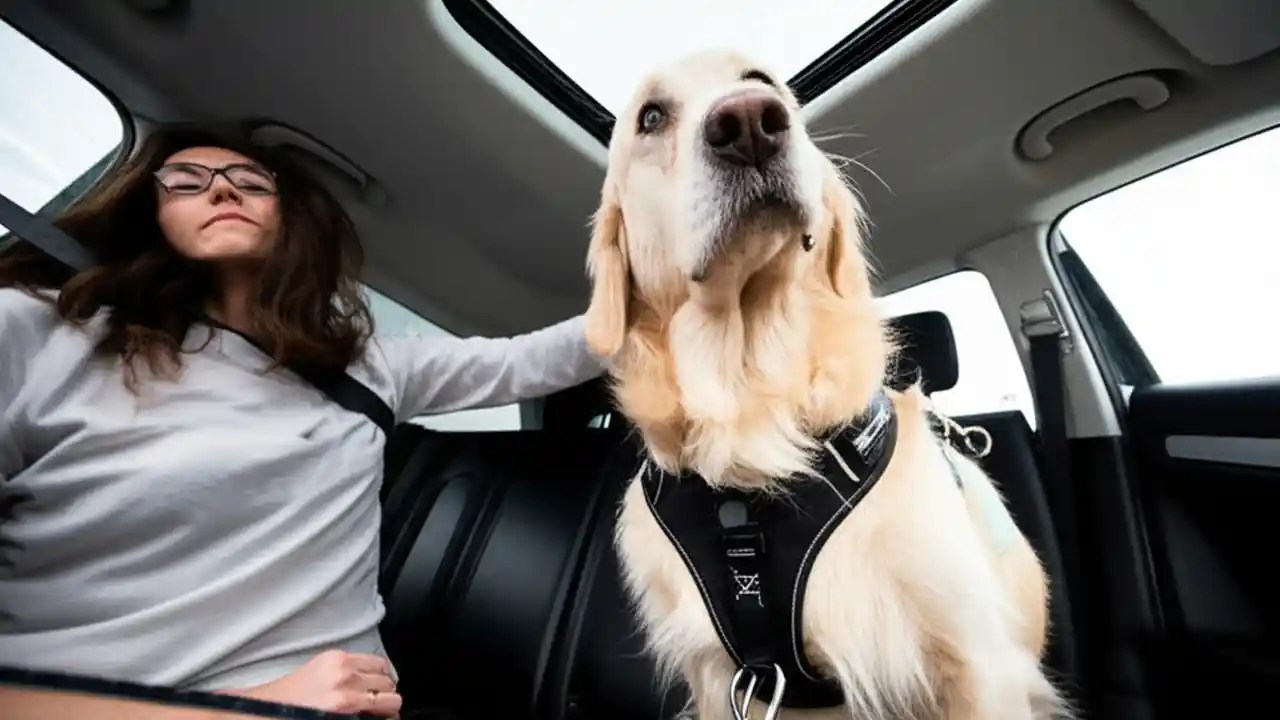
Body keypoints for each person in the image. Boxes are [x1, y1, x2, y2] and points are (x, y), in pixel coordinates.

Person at [0, 125, 606, 717]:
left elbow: (543, 357)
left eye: (250, 182)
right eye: (187, 180)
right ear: (148, 210)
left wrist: (653, 261)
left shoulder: (370, 369)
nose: (223, 189)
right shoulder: (39, 332)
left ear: (288, 219)